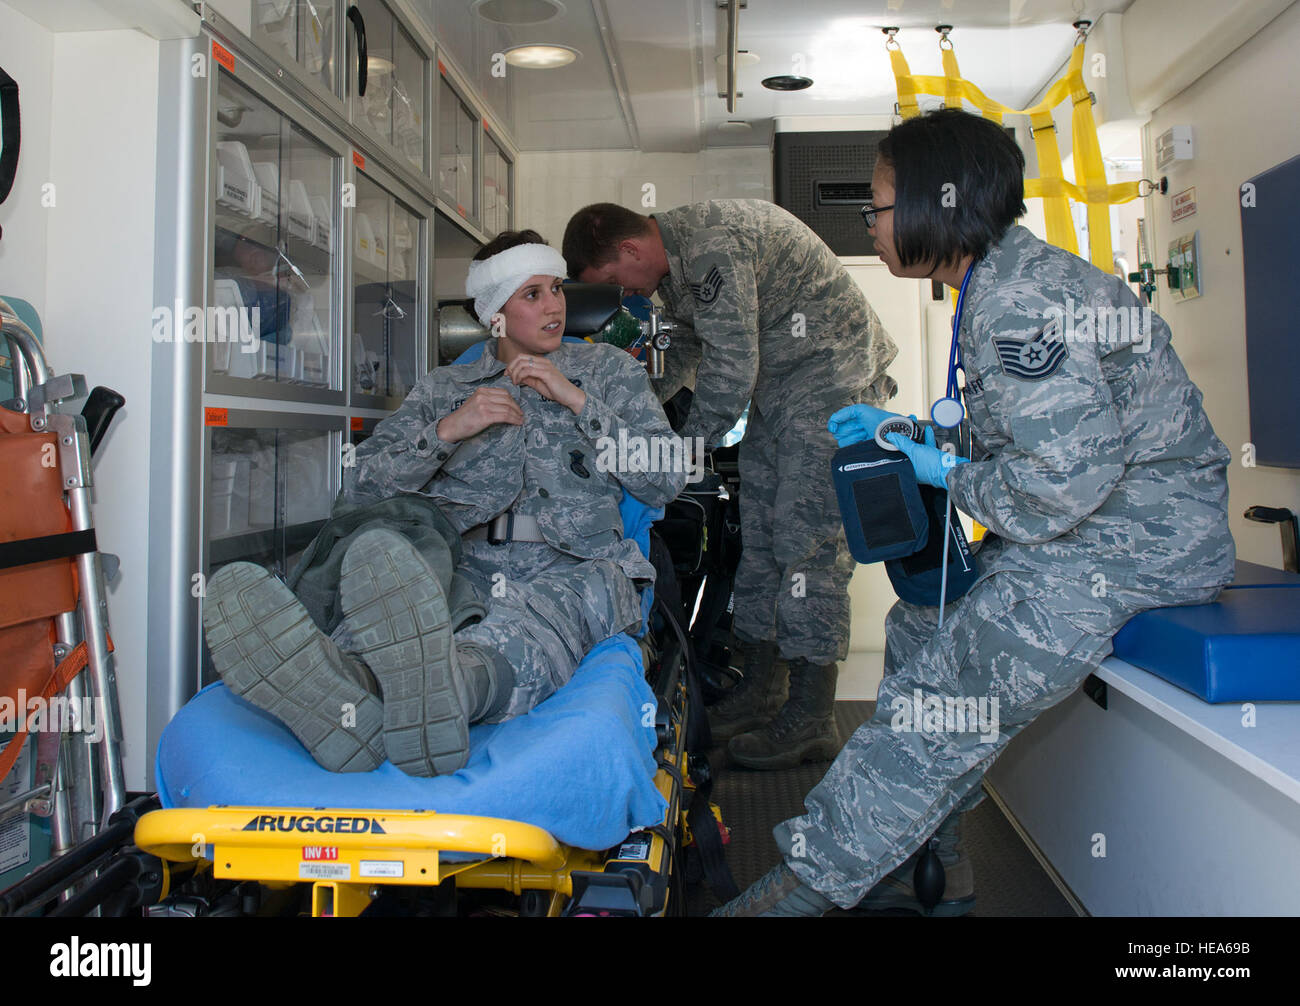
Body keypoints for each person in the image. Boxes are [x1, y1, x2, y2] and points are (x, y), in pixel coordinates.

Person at [714, 108, 1235, 916]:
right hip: (1084, 530)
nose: (873, 227)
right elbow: (1030, 447)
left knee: (940, 700)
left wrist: (943, 470)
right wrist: (910, 435)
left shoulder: (1017, 302)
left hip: (1136, 545)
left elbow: (1058, 485)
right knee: (918, 626)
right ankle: (932, 860)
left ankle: (801, 888)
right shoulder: (994, 285)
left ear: (934, 203)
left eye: (878, 209)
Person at [202, 230, 687, 777]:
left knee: (532, 624)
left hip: (573, 567)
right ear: (494, 315)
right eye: (533, 294)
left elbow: (666, 478)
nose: (555, 306)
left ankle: (450, 688)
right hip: (456, 564)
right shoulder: (443, 389)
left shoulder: (609, 373)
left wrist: (576, 399)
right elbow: (360, 489)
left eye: (556, 289)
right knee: (395, 605)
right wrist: (448, 430)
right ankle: (349, 691)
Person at [563, 199, 898, 769]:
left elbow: (733, 367)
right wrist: (637, 414)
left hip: (830, 386)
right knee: (762, 541)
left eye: (618, 282)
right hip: (784, 390)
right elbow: (694, 350)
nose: (628, 297)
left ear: (630, 251)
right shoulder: (674, 269)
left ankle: (811, 716)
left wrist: (685, 451)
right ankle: (760, 692)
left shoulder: (712, 243)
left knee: (807, 545)